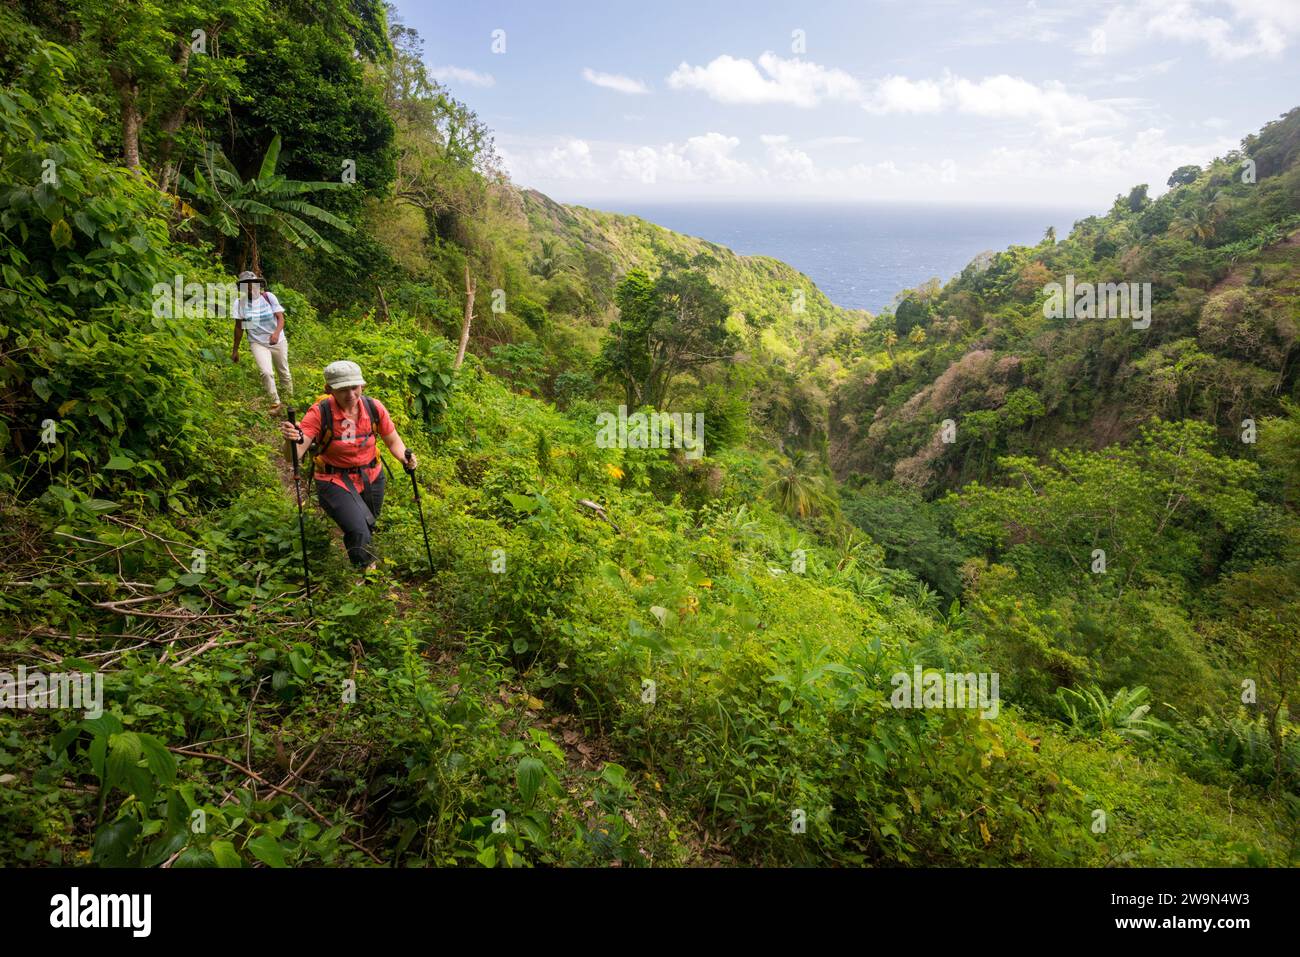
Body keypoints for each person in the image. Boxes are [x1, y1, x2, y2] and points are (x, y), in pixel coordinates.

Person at [278, 360, 418, 571]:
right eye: (343, 389)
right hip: (333, 480)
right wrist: (291, 440)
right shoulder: (319, 412)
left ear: (362, 386)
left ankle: (362, 562)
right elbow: (294, 456)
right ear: (329, 390)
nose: (350, 394)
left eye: (354, 387)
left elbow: (393, 441)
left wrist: (405, 458)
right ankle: (368, 575)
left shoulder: (373, 407)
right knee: (358, 529)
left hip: (372, 476)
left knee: (368, 525)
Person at [232, 270, 293, 413]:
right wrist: (235, 349)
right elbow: (239, 327)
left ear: (257, 284)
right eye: (245, 284)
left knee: (284, 372)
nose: (249, 287)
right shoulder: (239, 304)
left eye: (251, 283)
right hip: (257, 342)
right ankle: (275, 403)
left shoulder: (268, 297)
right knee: (266, 372)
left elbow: (280, 318)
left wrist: (276, 334)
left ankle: (289, 402)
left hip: (277, 340)